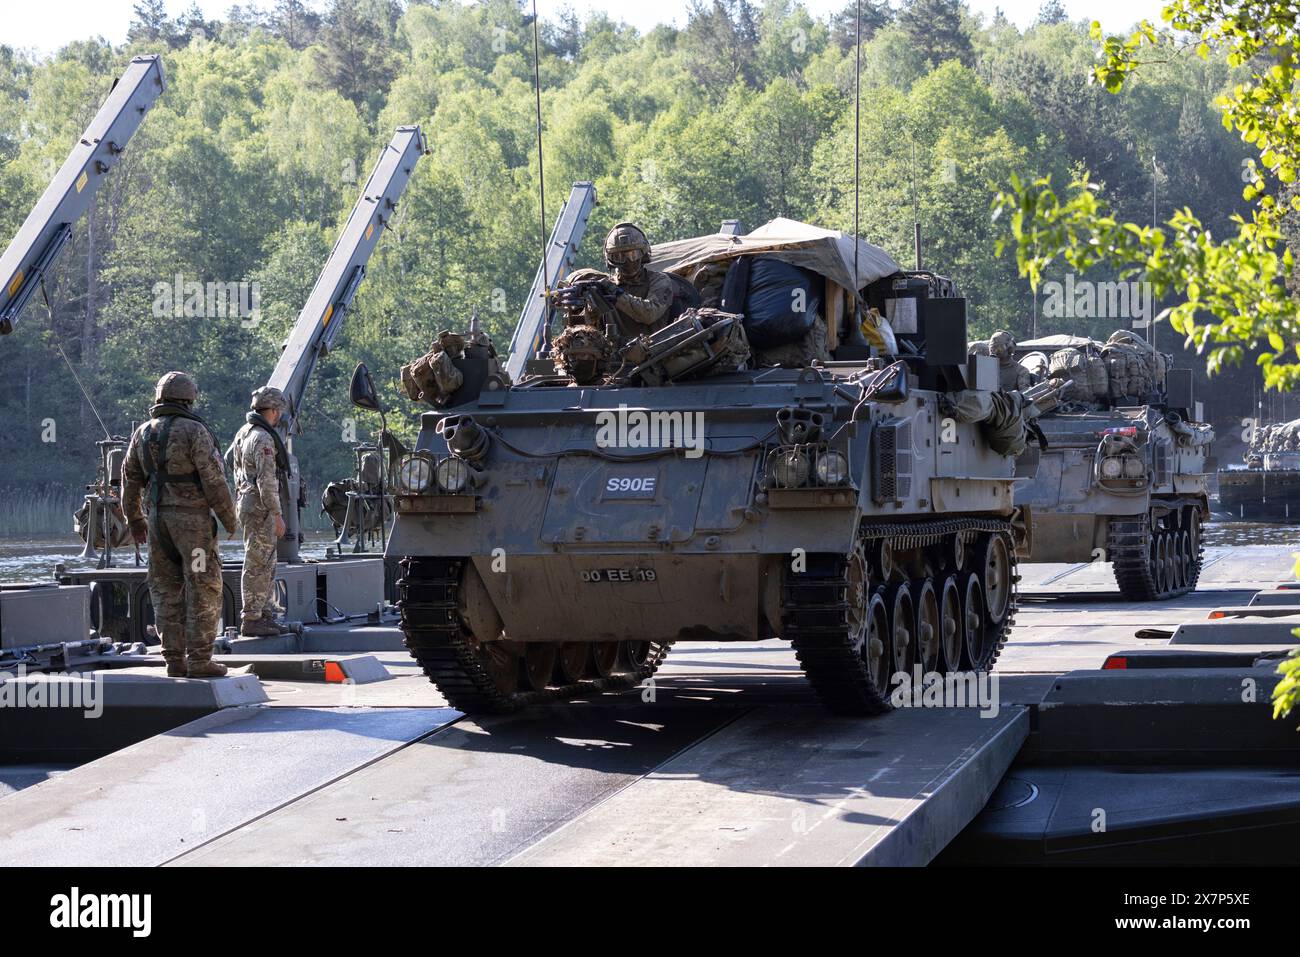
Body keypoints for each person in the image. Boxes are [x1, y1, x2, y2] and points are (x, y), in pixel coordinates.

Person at [121, 372, 238, 678]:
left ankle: (173, 659)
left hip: (158, 525)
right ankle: (200, 660)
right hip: (192, 526)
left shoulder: (142, 433)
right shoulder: (194, 430)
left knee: (165, 588)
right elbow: (213, 479)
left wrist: (135, 520)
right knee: (204, 586)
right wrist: (229, 518)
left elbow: (129, 482)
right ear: (189, 398)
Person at [230, 386, 289, 638]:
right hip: (260, 506)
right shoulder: (263, 438)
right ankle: (252, 617)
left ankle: (263, 614)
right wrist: (276, 514)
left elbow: (234, 470)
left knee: (265, 560)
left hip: (246, 501)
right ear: (274, 411)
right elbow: (266, 480)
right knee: (258, 562)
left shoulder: (243, 433)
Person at [556, 223, 676, 344]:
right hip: (612, 357)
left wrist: (616, 294)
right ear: (611, 259)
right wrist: (591, 305)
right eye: (619, 256)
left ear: (643, 253)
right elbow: (588, 326)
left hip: (654, 354)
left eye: (633, 255)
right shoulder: (605, 286)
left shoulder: (659, 280)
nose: (628, 261)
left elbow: (649, 313)